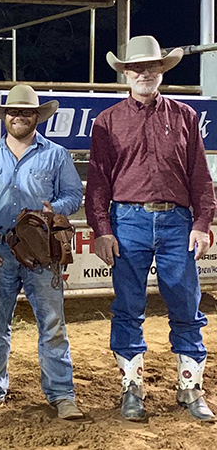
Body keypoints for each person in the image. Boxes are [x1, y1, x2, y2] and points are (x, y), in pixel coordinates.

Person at [85, 35, 216, 422]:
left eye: (152, 67)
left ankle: (190, 387)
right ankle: (132, 388)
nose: (145, 72)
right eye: (137, 67)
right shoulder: (107, 122)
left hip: (177, 221)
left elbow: (199, 175)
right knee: (127, 306)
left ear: (162, 71)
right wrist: (102, 229)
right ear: (125, 73)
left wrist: (202, 221)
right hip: (128, 220)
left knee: (186, 304)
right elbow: (98, 181)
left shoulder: (185, 117)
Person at [0, 84, 85, 420]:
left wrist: (52, 209)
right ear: (5, 117)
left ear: (36, 116)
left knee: (53, 324)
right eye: (14, 111)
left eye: (26, 112)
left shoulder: (56, 155)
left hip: (42, 251)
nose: (19, 116)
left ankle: (62, 394)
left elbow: (74, 195)